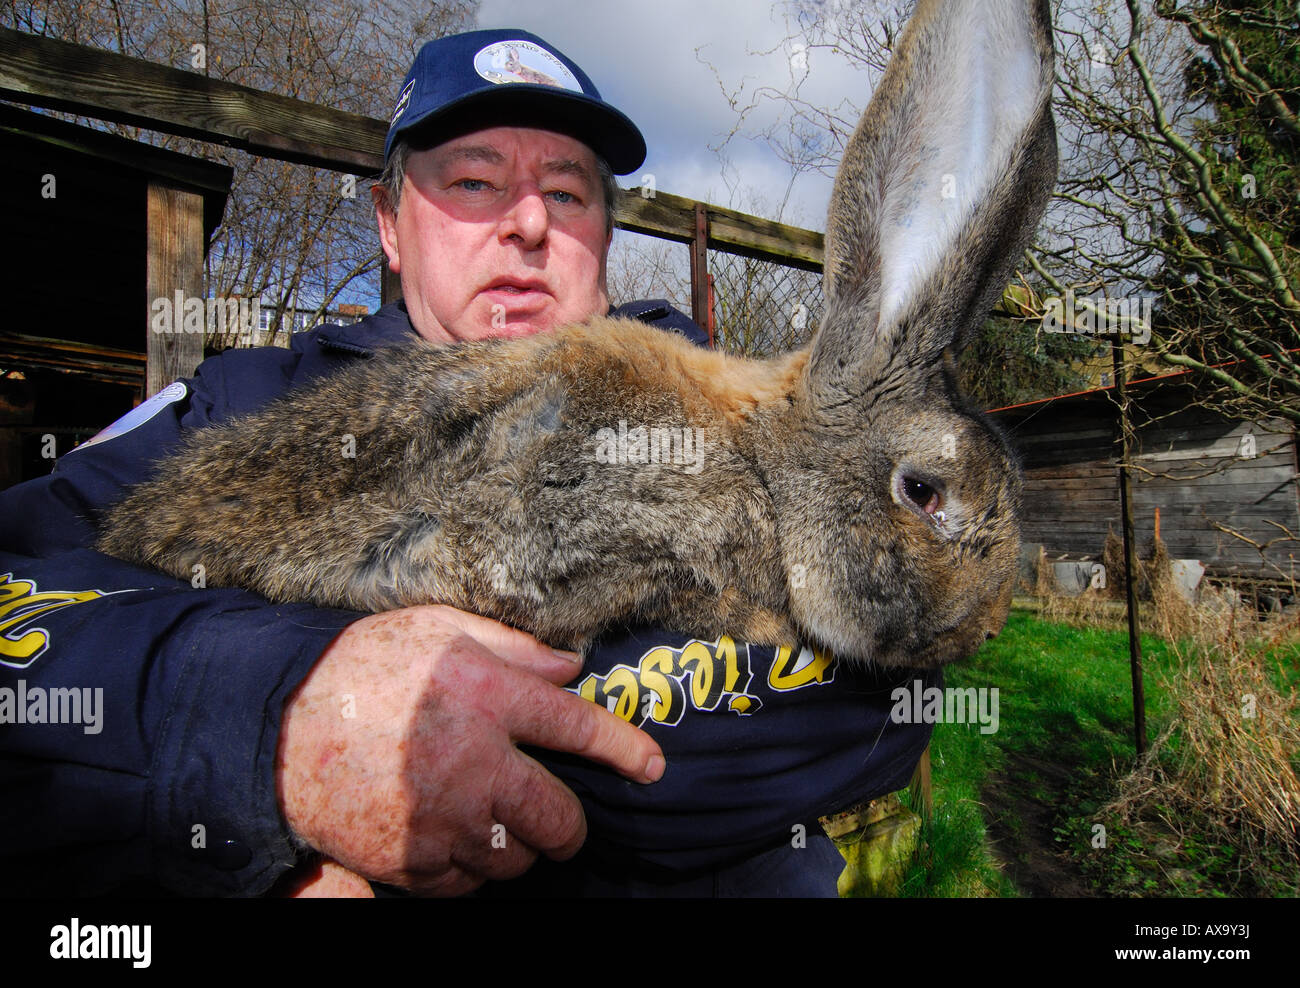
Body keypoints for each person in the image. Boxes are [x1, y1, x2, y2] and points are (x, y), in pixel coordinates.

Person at [0, 28, 937, 897]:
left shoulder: (743, 413)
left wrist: (484, 745)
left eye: (568, 192)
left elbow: (895, 671)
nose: (529, 222)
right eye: (475, 182)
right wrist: (276, 717)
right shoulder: (236, 406)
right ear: (389, 224)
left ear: (605, 237)